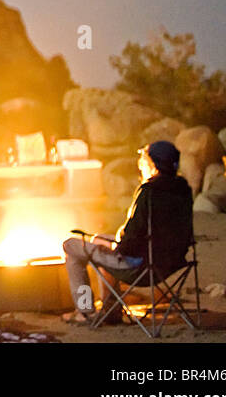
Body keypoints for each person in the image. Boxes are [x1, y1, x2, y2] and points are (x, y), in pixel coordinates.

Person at [61, 139, 193, 324]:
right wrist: (108, 243)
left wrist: (114, 246)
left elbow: (131, 238)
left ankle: (84, 311)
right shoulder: (183, 189)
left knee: (71, 246)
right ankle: (111, 310)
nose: (141, 166)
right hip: (169, 263)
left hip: (140, 266)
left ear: (153, 165)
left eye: (144, 162)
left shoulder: (149, 192)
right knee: (100, 241)